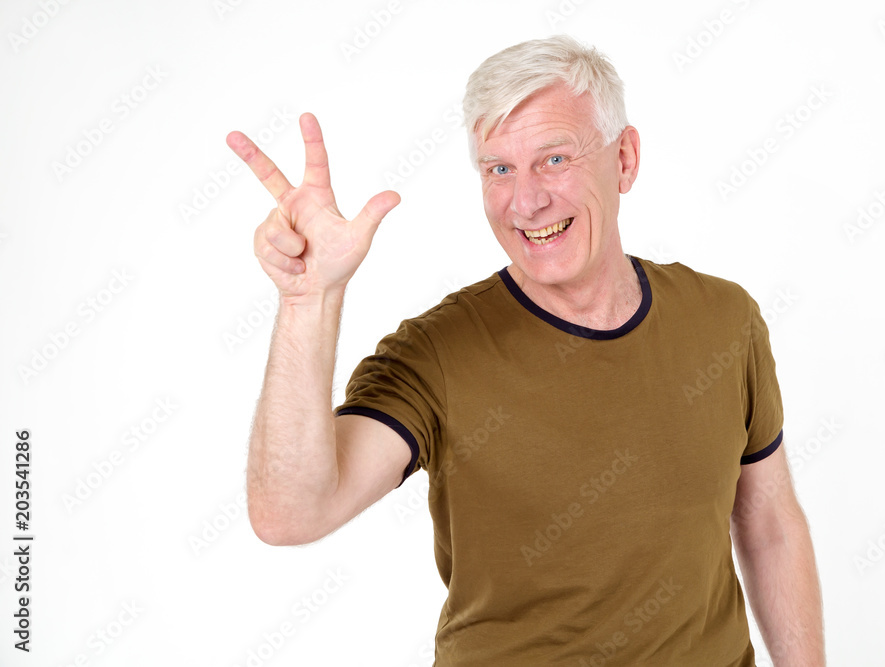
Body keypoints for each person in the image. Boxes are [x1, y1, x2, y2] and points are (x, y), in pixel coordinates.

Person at [227, 35, 825, 666]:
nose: (526, 200)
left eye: (555, 159)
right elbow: (289, 515)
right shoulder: (437, 354)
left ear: (623, 159)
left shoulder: (724, 320)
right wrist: (306, 302)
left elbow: (769, 522)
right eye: (499, 169)